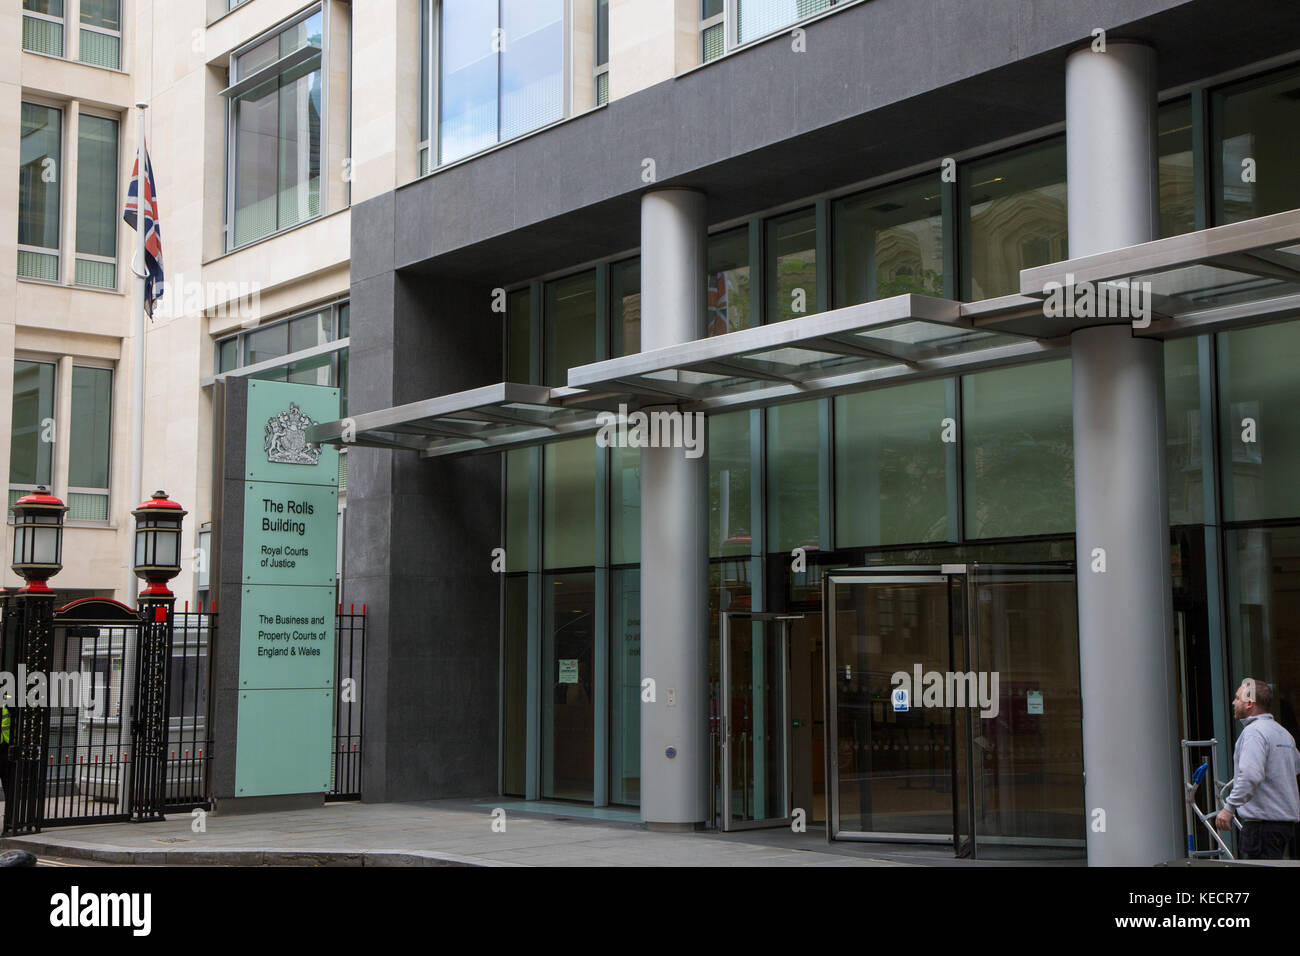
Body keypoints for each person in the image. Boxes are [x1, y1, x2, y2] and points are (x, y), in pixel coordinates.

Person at [1216, 678, 1300, 859]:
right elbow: (1293, 770)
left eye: (1237, 698)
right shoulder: (1283, 733)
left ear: (1249, 704)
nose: (1233, 702)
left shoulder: (1254, 733)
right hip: (1284, 825)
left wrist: (1229, 808)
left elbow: (1249, 775)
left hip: (1262, 826)